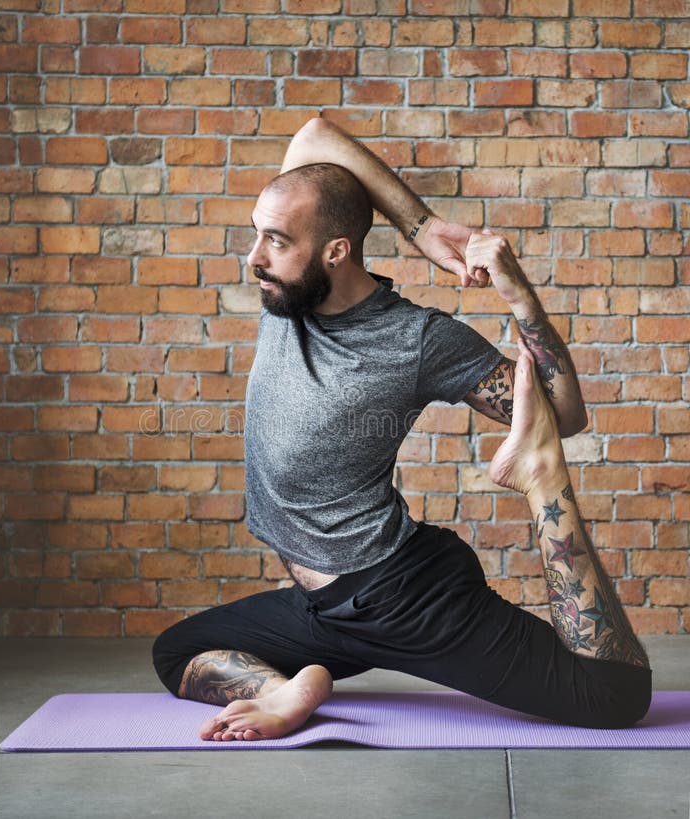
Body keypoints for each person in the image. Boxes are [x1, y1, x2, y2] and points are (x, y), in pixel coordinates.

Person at [152, 117, 651, 740]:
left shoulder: (415, 339)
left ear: (335, 251)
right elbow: (312, 140)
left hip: (400, 598)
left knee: (611, 697)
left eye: (275, 240)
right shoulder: (287, 300)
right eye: (258, 236)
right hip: (324, 610)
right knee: (177, 652)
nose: (255, 258)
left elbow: (564, 411)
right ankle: (289, 690)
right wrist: (424, 228)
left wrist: (521, 298)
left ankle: (541, 476)